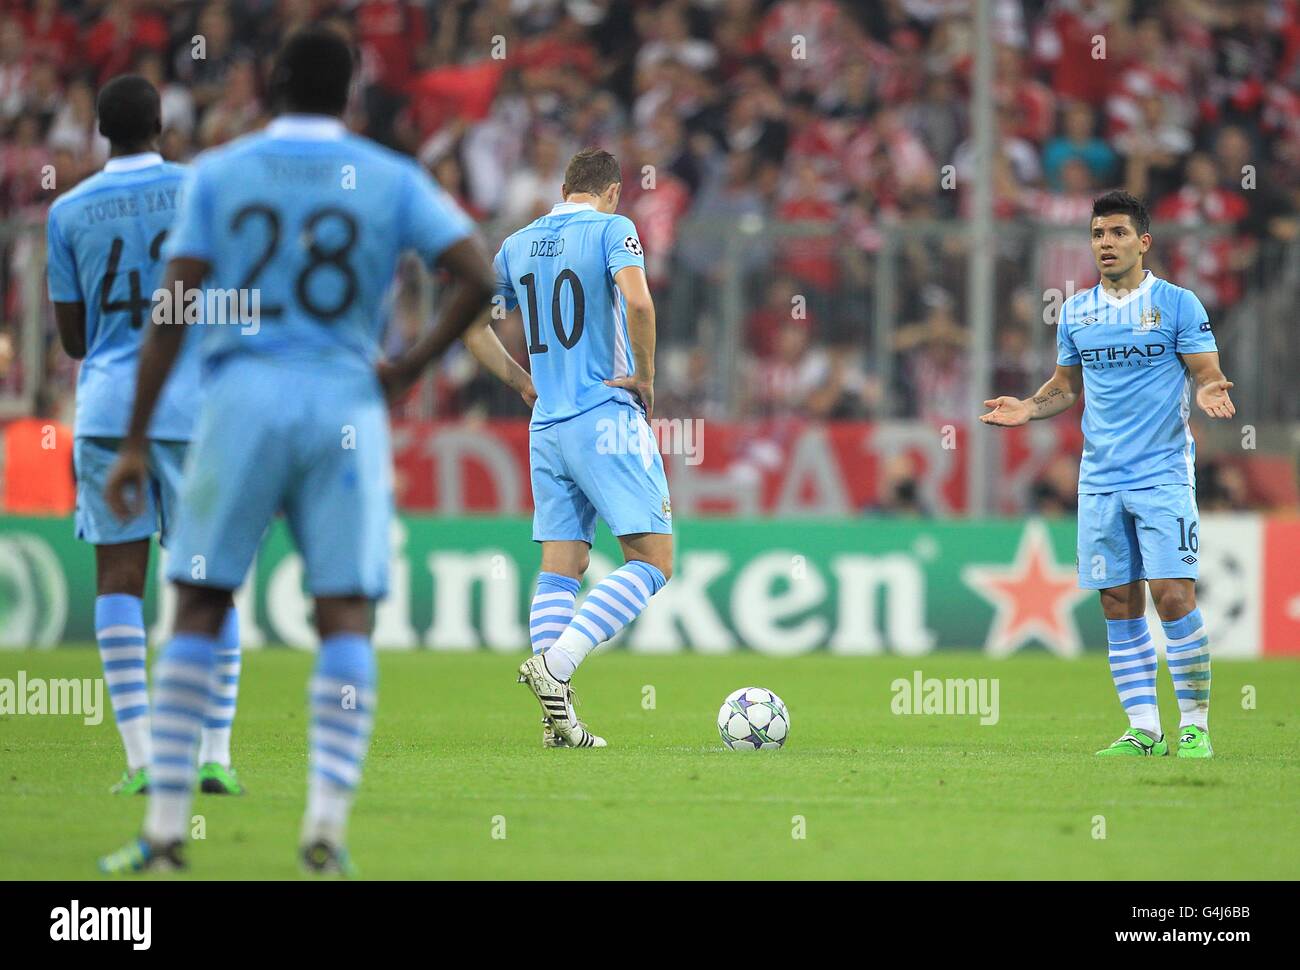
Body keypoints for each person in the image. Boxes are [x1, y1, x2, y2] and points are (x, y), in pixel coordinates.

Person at [98, 27, 495, 874]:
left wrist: (134, 440)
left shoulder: (222, 172)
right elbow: (480, 272)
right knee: (344, 612)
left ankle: (165, 834)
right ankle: (324, 831)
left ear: (271, 85)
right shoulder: (387, 176)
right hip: (345, 400)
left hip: (240, 398)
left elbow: (170, 310)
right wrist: (407, 369)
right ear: (351, 94)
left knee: (201, 600)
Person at [981, 190, 1233, 759]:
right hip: (1099, 479)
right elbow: (1065, 387)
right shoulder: (1076, 312)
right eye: (1097, 234)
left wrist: (1212, 386)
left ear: (1143, 242)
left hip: (1164, 473)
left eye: (1118, 233)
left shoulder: (1177, 304)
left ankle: (1194, 726)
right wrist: (1029, 407)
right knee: (1117, 600)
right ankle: (1143, 729)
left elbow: (1205, 369)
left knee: (1172, 596)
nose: (1106, 244)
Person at [45, 74, 243, 797]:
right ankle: (215, 755)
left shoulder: (67, 211)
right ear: (164, 124)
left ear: (99, 130)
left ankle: (137, 761)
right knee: (208, 581)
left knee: (118, 580)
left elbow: (71, 338)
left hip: (107, 412)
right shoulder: (204, 189)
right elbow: (229, 300)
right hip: (195, 410)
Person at [491, 147, 673, 748]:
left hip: (547, 424)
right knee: (651, 561)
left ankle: (557, 723)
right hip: (605, 414)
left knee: (562, 567)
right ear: (613, 192)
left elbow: (469, 324)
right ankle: (558, 664)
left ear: (563, 186)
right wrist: (644, 375)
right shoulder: (612, 229)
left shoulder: (516, 245)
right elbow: (640, 302)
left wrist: (521, 380)